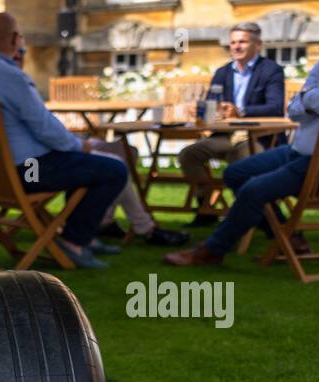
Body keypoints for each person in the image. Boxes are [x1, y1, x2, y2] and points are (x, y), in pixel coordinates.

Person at [165, 8, 319, 268]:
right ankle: (287, 236)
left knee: (252, 190)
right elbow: (293, 108)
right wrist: (309, 101)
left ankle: (212, 250)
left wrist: (307, 100)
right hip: (299, 151)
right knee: (235, 173)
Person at [0, 13, 128, 268]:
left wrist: (74, 148)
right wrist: (80, 144)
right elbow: (44, 127)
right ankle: (73, 241)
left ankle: (87, 237)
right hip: (27, 173)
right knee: (114, 169)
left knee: (79, 163)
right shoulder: (10, 76)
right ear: (16, 39)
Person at [13, 44, 188, 247]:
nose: (20, 57)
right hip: (41, 163)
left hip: (44, 156)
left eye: (23, 51)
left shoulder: (7, 93)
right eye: (16, 52)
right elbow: (45, 130)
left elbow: (45, 130)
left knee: (127, 152)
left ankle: (109, 221)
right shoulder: (19, 89)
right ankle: (143, 228)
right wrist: (77, 145)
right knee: (116, 161)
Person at [178, 23, 286, 227]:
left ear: (258, 45)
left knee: (241, 160)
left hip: (257, 136)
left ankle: (251, 214)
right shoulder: (222, 72)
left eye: (242, 42)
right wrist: (201, 110)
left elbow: (276, 107)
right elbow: (212, 104)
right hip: (225, 136)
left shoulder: (271, 71)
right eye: (233, 42)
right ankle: (206, 206)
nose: (236, 47)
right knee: (188, 155)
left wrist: (241, 111)